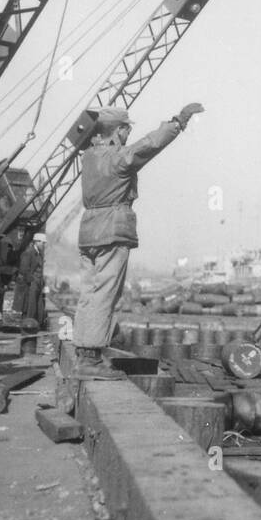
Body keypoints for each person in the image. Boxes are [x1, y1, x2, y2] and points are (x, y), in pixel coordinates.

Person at [71, 103, 201, 378]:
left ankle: (84, 352)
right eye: (127, 128)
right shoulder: (118, 158)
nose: (129, 133)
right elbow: (148, 145)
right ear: (118, 131)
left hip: (88, 232)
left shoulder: (90, 157)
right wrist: (177, 122)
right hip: (111, 230)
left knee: (89, 292)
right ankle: (91, 361)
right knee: (106, 293)